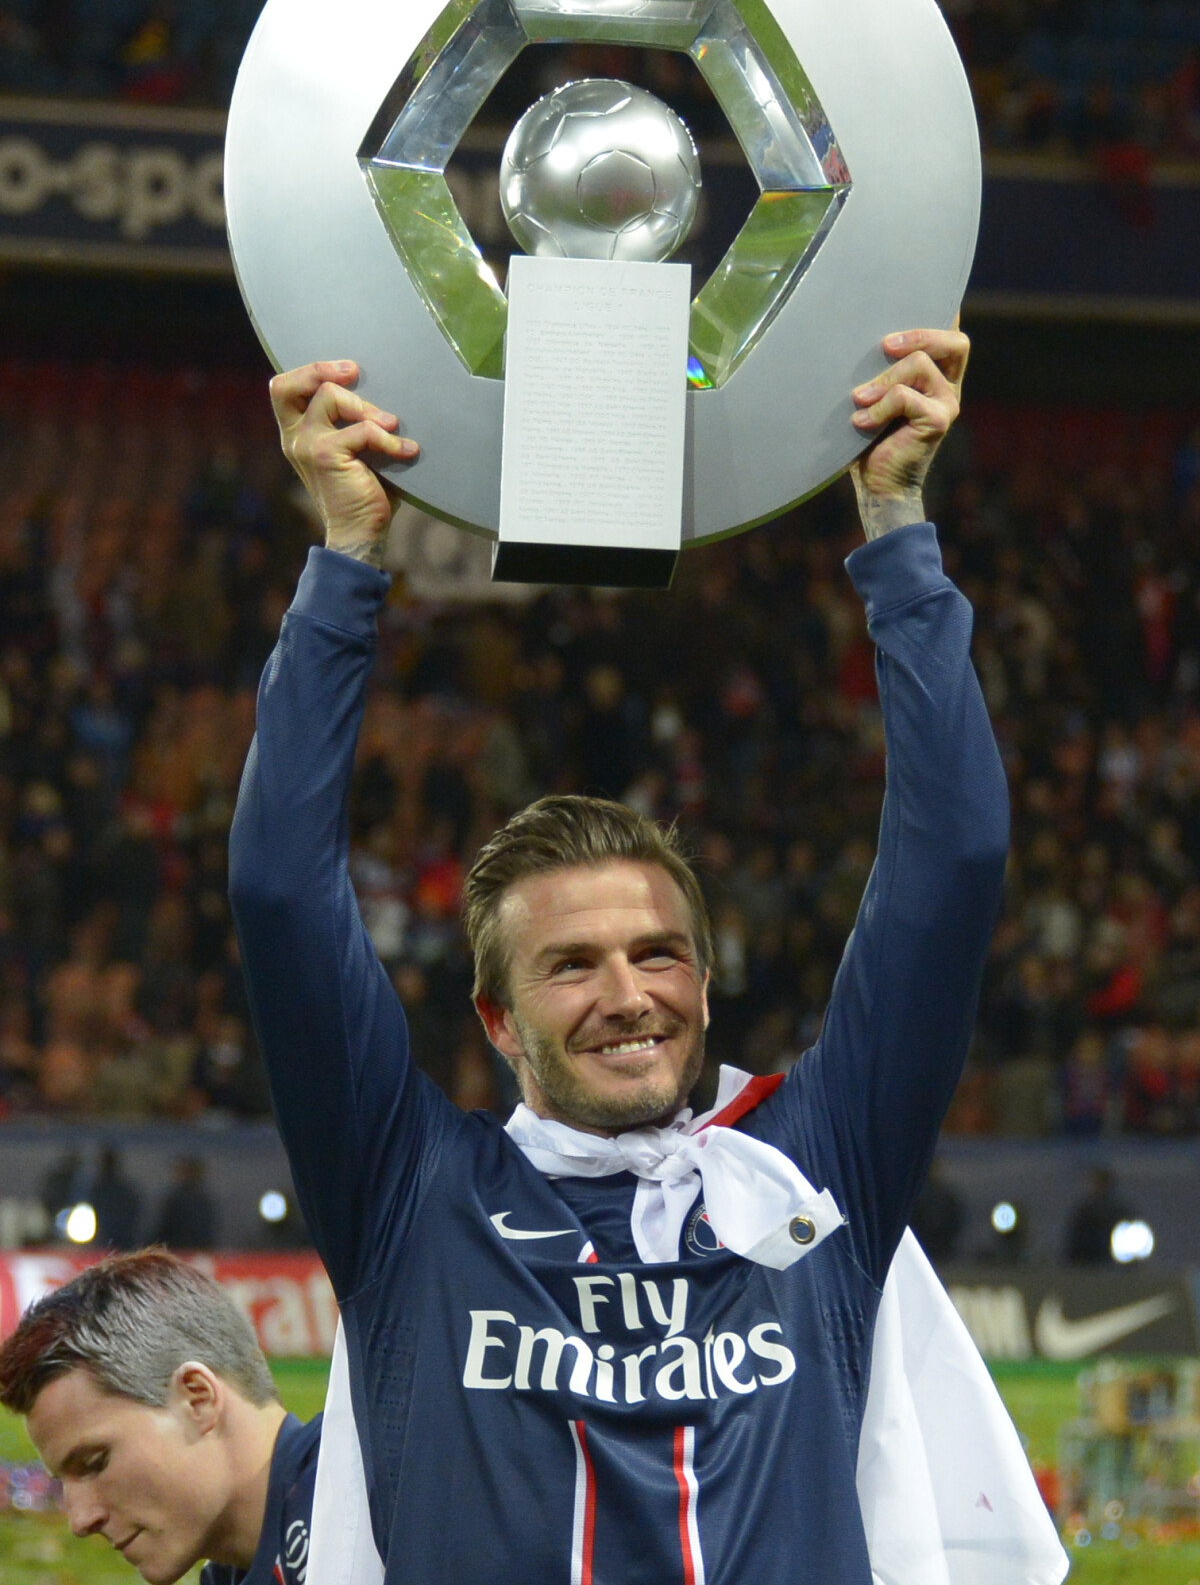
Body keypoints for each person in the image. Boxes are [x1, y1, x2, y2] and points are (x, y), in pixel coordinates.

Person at [227, 333, 1046, 1585]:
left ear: (706, 988)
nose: (628, 996)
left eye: (659, 953)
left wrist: (897, 529)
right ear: (497, 1021)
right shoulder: (408, 1195)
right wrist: (347, 560)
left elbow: (957, 862)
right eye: (572, 966)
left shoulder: (816, 1171)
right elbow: (282, 891)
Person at [0, 1249, 319, 1585]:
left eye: (96, 1462)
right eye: (62, 1482)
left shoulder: (366, 1497)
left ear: (198, 1399)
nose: (80, 1520)